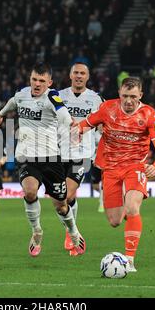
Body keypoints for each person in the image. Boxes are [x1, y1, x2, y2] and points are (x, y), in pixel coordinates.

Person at [0, 62, 86, 257]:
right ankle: (36, 232)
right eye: (34, 79)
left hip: (52, 159)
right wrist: (1, 114)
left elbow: (62, 112)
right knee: (29, 191)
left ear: (49, 82)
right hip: (27, 156)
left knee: (61, 206)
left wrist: (71, 124)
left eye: (42, 81)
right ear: (30, 79)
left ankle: (73, 232)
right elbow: (13, 102)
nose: (37, 84)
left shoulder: (52, 96)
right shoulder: (22, 94)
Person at [78, 77, 155, 271]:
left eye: (133, 96)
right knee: (115, 221)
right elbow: (84, 124)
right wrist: (75, 133)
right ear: (119, 93)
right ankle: (133, 220)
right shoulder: (108, 108)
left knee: (133, 207)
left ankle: (129, 260)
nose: (128, 101)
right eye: (125, 96)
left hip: (135, 166)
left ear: (140, 95)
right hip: (110, 168)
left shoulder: (148, 114)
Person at [58, 62, 104, 253]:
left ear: (87, 77)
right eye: (75, 72)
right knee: (63, 200)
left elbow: (103, 126)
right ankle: (73, 230)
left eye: (82, 73)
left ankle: (71, 232)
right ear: (70, 75)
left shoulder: (95, 99)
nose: (78, 76)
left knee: (66, 195)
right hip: (59, 153)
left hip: (82, 154)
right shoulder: (58, 96)